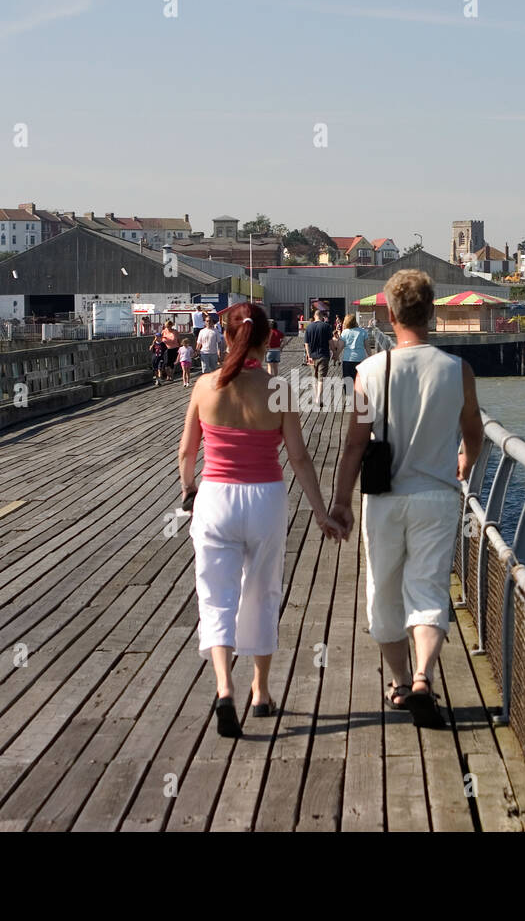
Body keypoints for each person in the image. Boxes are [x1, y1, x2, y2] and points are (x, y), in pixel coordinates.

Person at [178, 302, 343, 738]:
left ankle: (224, 687)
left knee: (216, 596)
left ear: (229, 337)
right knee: (262, 592)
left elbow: (186, 453)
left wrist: (189, 492)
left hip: (215, 498)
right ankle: (262, 691)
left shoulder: (204, 386)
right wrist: (322, 512)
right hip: (266, 500)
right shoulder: (280, 390)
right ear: (267, 338)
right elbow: (300, 457)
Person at [329, 270, 484, 728]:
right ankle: (422, 677)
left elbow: (356, 444)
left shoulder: (369, 372)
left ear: (391, 315)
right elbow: (473, 433)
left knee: (384, 591)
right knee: (429, 589)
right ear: (432, 313)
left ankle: (398, 684)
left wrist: (340, 501)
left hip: (384, 498)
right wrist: (465, 460)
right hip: (436, 497)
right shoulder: (458, 370)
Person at [337, 313, 371, 392]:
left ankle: (349, 400)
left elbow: (340, 347)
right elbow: (367, 347)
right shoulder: (363, 332)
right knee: (360, 382)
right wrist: (370, 356)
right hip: (360, 359)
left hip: (348, 359)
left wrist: (336, 356)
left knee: (348, 382)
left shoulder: (345, 332)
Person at [303, 309, 333, 396]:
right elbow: (330, 342)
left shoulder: (309, 327)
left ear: (314, 316)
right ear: (322, 317)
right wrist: (334, 352)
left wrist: (309, 356)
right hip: (323, 355)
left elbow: (306, 344)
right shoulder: (326, 326)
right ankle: (319, 398)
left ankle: (316, 395)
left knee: (314, 377)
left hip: (312, 356)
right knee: (321, 378)